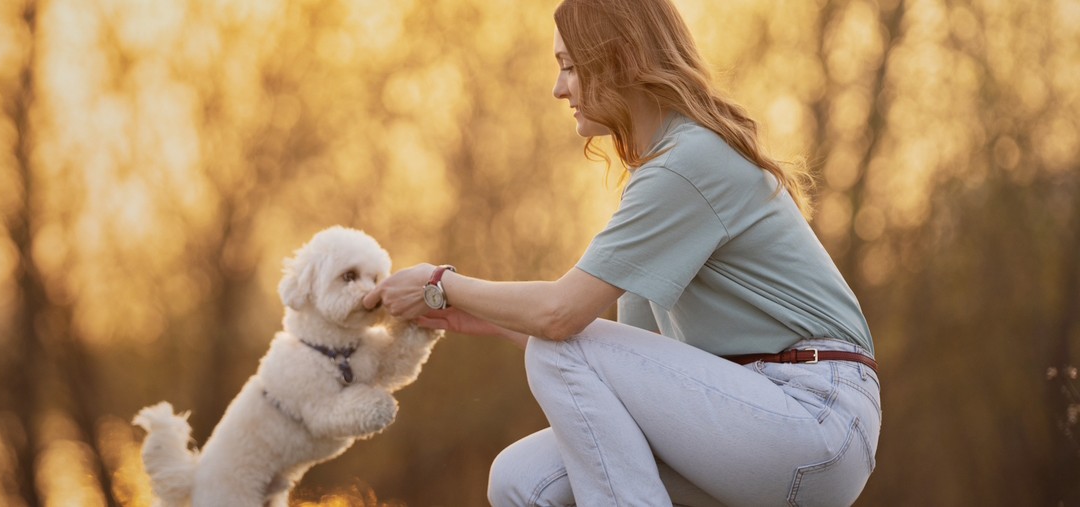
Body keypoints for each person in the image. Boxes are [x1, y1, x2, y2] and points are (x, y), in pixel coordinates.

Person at [361, 0, 881, 505]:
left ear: (618, 60)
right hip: (757, 414)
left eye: (569, 66)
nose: (558, 88)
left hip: (814, 415)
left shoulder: (687, 163)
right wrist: (480, 315)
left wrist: (441, 284)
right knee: (519, 480)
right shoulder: (659, 173)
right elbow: (618, 350)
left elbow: (561, 321)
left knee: (559, 343)